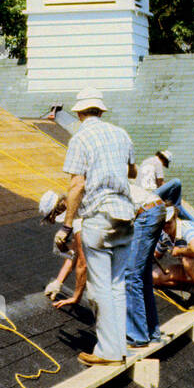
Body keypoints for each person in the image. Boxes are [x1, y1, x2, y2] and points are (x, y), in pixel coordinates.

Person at [55, 87, 136, 366]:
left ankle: (108, 352)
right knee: (117, 285)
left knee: (99, 287)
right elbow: (132, 171)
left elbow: (77, 184)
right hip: (125, 215)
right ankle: (120, 347)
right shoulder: (121, 134)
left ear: (79, 113)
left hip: (100, 216)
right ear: (101, 111)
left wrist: (66, 226)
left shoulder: (80, 138)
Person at [123, 177, 172, 349]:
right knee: (142, 276)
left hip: (145, 213)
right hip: (154, 209)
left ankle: (137, 336)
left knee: (131, 276)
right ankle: (152, 332)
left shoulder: (92, 195)